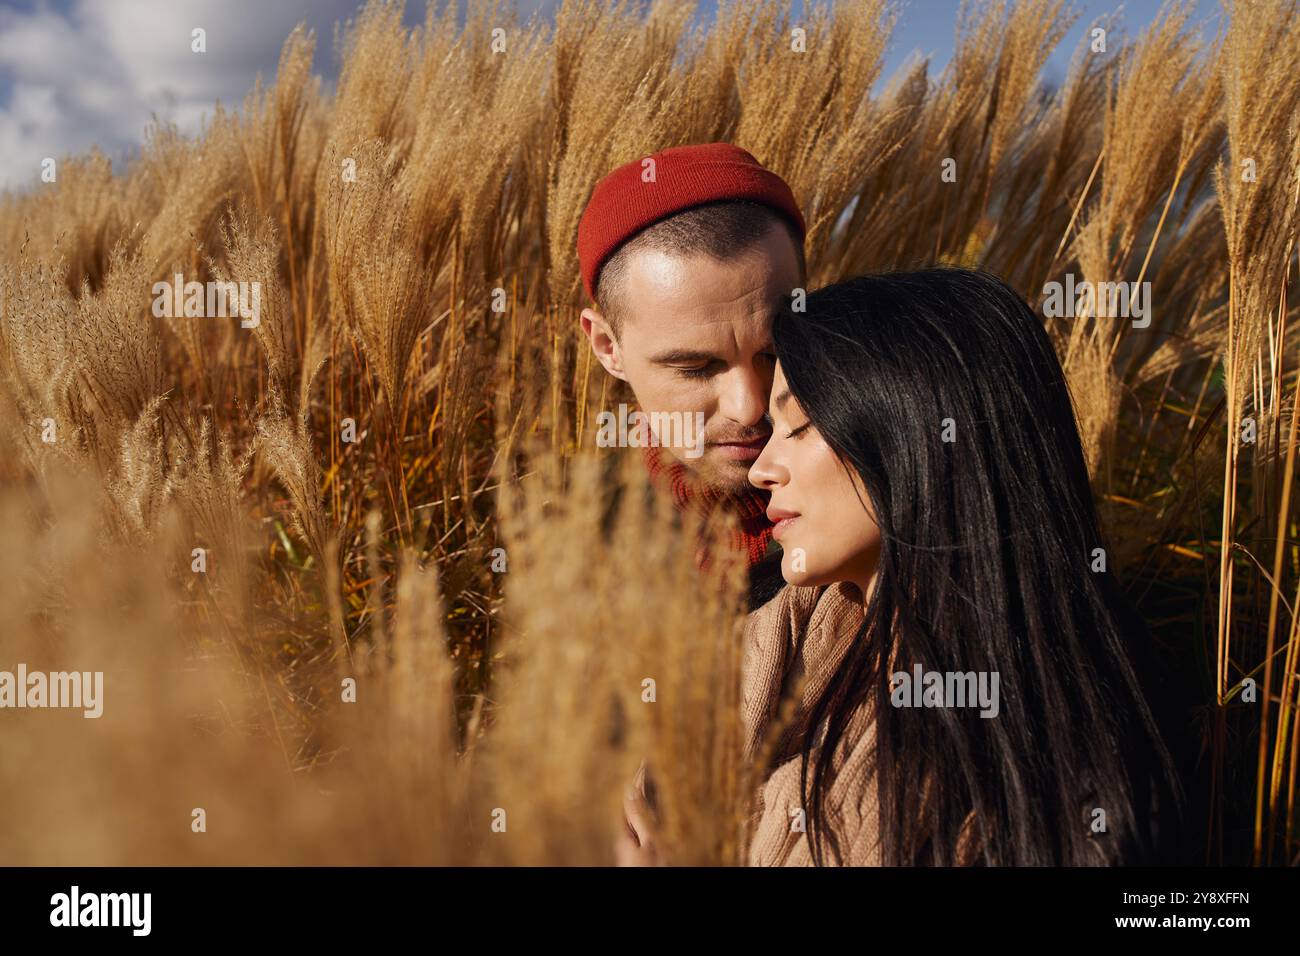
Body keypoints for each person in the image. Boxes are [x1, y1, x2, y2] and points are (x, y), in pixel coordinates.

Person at [741, 268, 1187, 866]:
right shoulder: (754, 647)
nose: (761, 469)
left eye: (797, 425)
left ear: (917, 429)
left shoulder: (1058, 759)